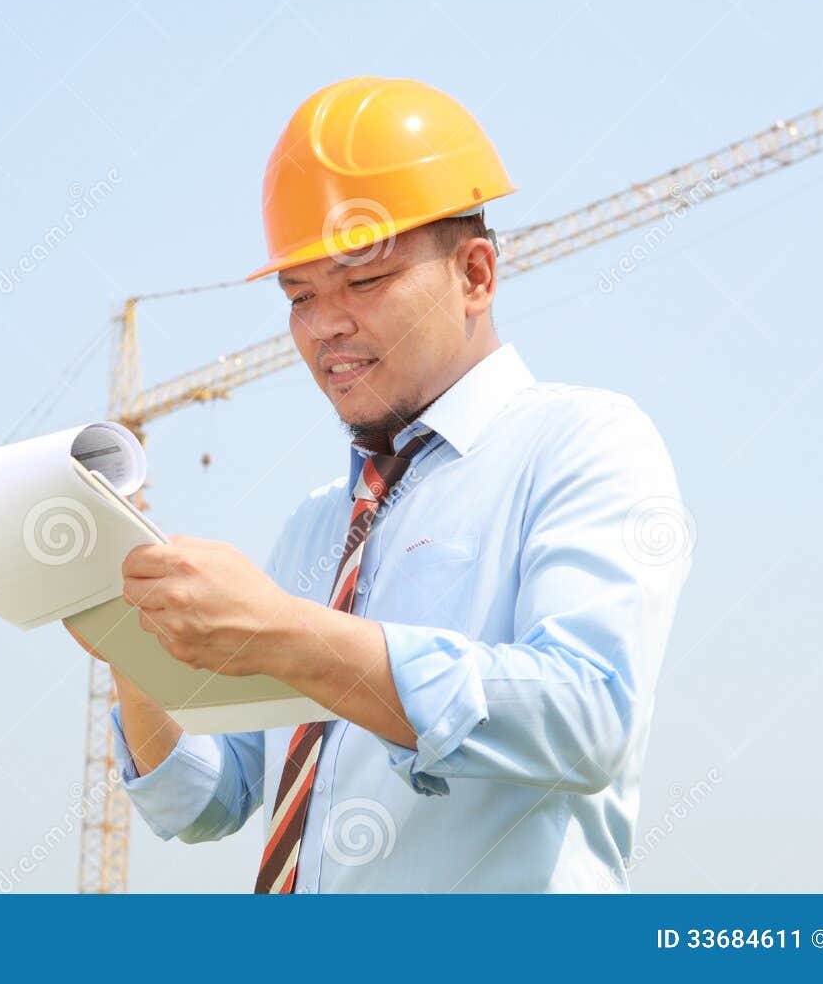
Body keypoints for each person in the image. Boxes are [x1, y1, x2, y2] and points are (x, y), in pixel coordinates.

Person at [67, 77, 690, 893]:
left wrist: (290, 635)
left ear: (475, 274)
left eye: (363, 283)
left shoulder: (583, 444)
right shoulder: (318, 528)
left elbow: (585, 716)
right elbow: (207, 801)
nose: (326, 324)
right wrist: (129, 638)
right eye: (299, 296)